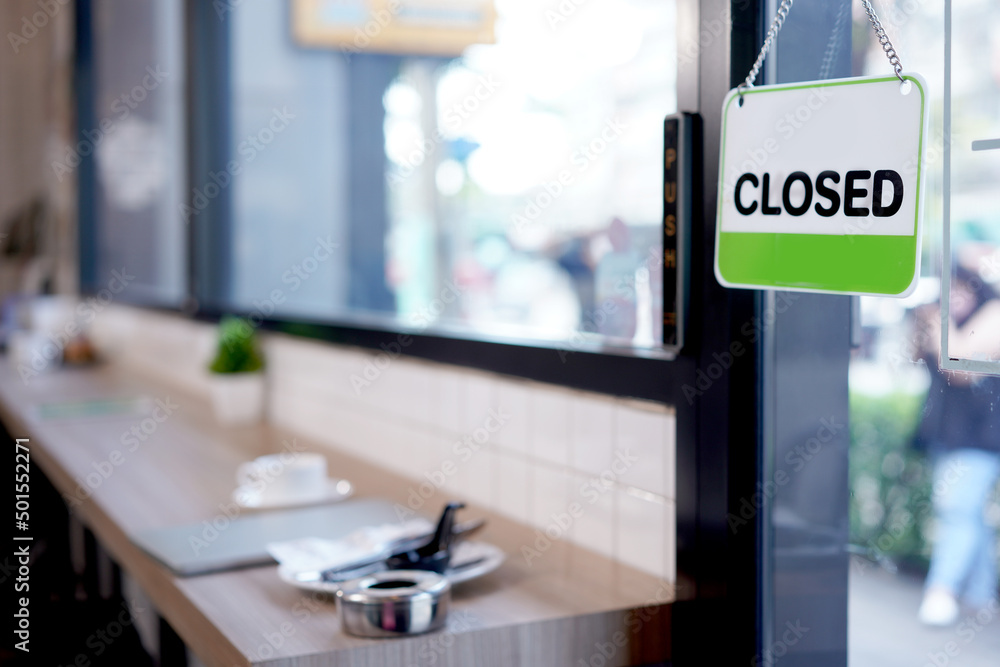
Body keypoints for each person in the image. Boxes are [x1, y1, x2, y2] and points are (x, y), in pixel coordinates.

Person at [913, 255, 1000, 626]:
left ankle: (942, 593)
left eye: (962, 287)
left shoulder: (993, 313)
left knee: (957, 510)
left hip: (981, 436)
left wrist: (940, 320)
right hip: (947, 433)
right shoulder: (944, 318)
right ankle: (981, 596)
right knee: (965, 512)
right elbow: (918, 359)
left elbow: (959, 365)